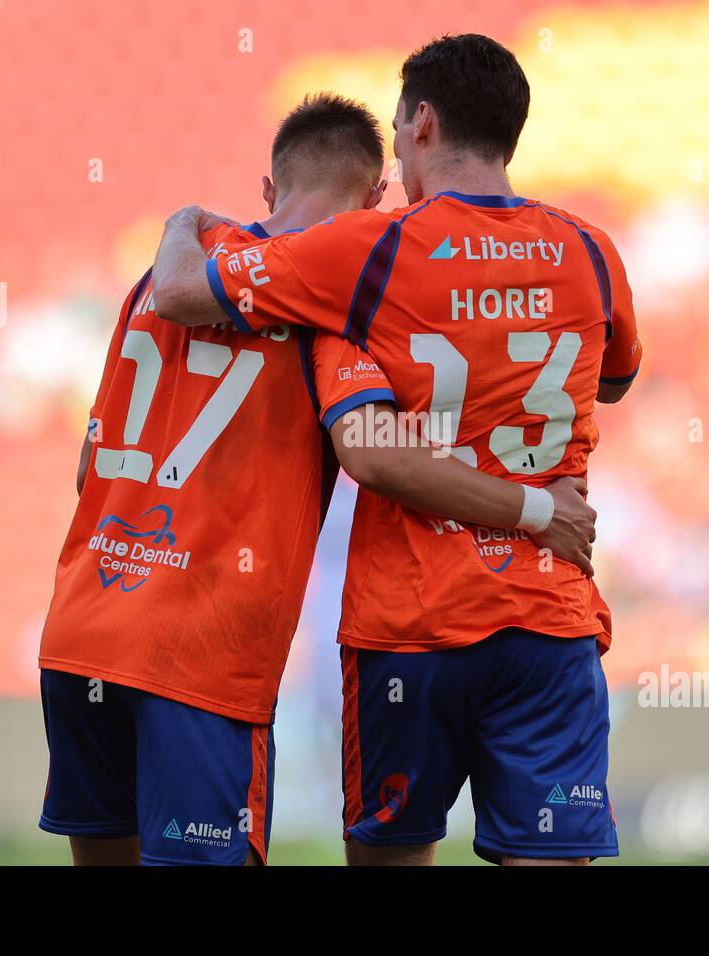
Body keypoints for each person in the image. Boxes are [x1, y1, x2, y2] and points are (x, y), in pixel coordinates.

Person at [38, 92, 597, 866]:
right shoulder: (326, 307)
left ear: (268, 189)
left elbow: (85, 470)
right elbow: (373, 451)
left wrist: (178, 224)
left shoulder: (156, 283)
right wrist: (536, 507)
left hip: (81, 632)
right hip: (198, 654)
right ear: (373, 201)